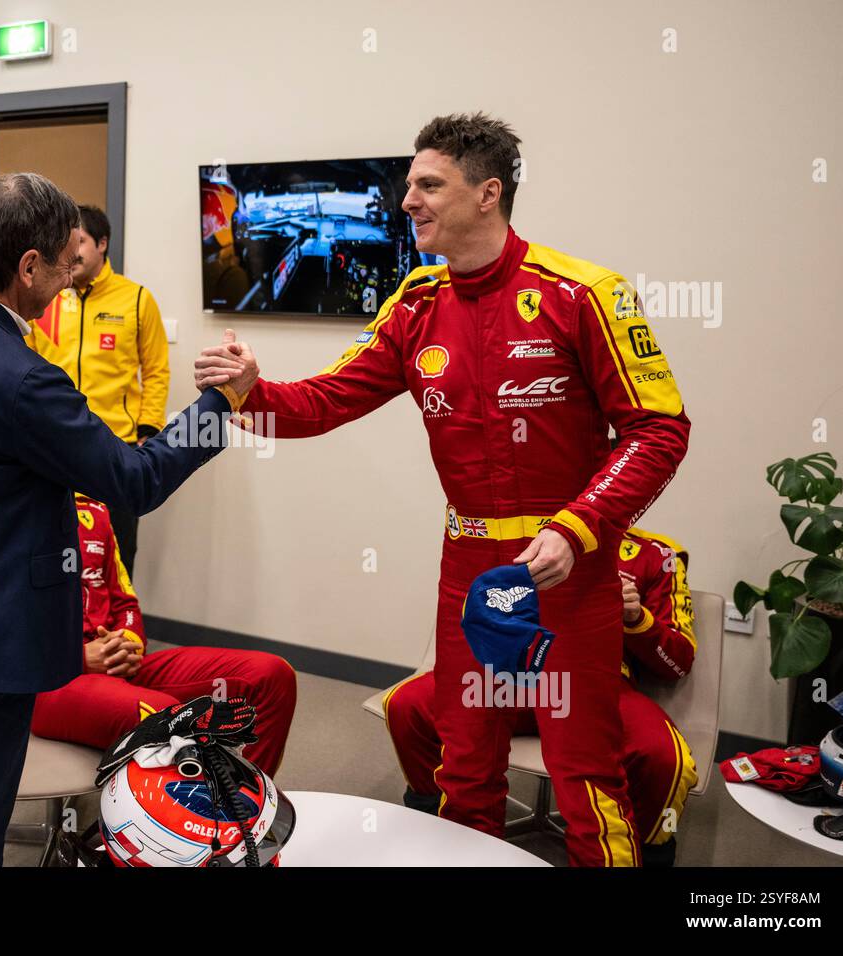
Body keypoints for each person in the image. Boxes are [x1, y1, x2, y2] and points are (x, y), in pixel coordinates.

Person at [195, 112, 691, 866]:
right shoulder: (415, 305)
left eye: (429, 185)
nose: (407, 202)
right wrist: (251, 393)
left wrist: (580, 526)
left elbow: (660, 429)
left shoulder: (584, 293)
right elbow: (325, 402)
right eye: (409, 187)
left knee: (586, 774)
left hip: (571, 573)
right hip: (469, 573)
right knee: (464, 772)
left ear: (488, 193)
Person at [0, 173, 245, 867]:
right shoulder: (22, 375)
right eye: (62, 262)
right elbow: (133, 479)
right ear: (27, 266)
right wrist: (222, 406)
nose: (69, 277)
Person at [385, 528, 698, 865]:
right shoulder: (504, 527)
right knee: (406, 705)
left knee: (668, 758)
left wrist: (636, 618)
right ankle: (429, 816)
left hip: (599, 681)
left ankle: (648, 852)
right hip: (509, 676)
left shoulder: (658, 554)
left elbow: (677, 663)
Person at [30, 493, 296, 776]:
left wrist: (126, 644)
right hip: (50, 681)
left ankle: (242, 805)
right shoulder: (8, 516)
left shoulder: (95, 510)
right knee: (170, 718)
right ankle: (173, 816)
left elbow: (124, 602)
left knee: (271, 676)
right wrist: (78, 658)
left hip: (119, 665)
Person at [25, 205, 170, 578]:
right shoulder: (49, 299)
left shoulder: (137, 299)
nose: (73, 253)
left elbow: (155, 371)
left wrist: (148, 432)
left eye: (82, 242)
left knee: (116, 558)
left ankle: (121, 632)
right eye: (68, 244)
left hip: (115, 448)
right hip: (56, 449)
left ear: (103, 244)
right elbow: (26, 365)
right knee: (56, 555)